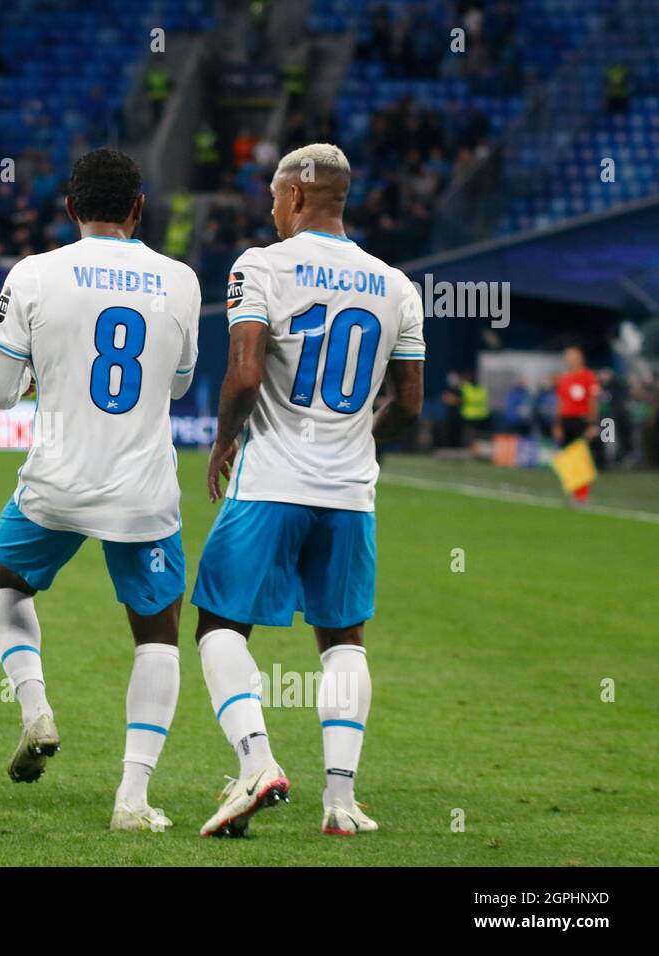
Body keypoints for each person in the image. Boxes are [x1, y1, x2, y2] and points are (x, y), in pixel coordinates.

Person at [191, 143, 424, 838]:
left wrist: (226, 438)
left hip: (271, 481)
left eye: (272, 196)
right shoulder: (395, 285)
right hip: (350, 490)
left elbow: (244, 374)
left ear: (295, 196)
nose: (269, 208)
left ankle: (257, 762)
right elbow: (409, 403)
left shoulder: (260, 266)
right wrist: (355, 444)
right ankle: (342, 802)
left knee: (220, 624)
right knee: (343, 638)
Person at [0, 148, 201, 832]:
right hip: (143, 491)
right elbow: (181, 385)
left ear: (70, 209)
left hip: (57, 484)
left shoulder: (35, 273)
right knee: (157, 634)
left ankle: (34, 704)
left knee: (5, 582)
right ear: (140, 208)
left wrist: (44, 377)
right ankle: (132, 799)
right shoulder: (182, 280)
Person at [553, 345, 600, 504]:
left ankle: (582, 495)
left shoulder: (588, 377)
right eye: (567, 356)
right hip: (566, 421)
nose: (569, 359)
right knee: (569, 458)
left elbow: (593, 401)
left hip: (582, 420)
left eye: (572, 356)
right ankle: (574, 492)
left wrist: (593, 423)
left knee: (581, 457)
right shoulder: (564, 379)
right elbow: (560, 402)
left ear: (580, 357)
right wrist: (557, 425)